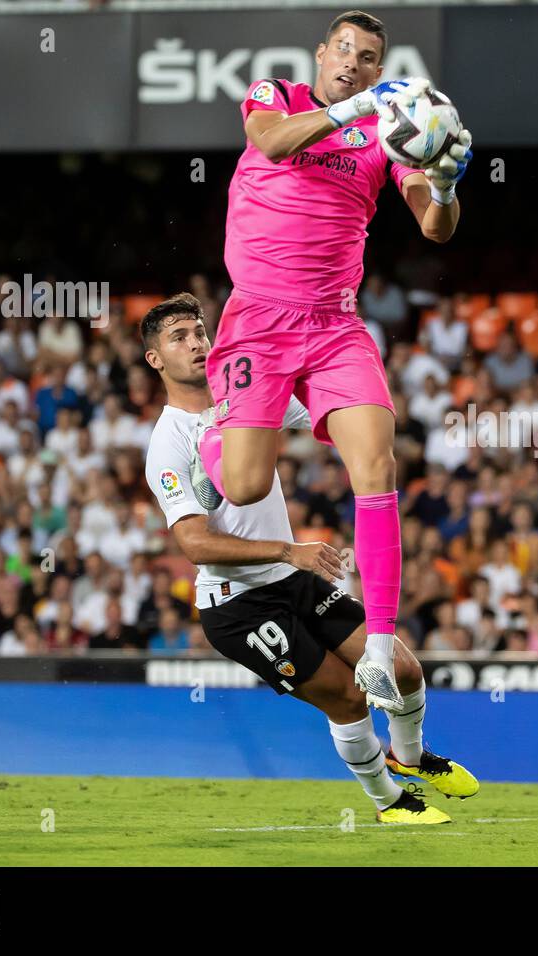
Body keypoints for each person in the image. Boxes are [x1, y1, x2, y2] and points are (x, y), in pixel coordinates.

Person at [195, 10, 473, 713]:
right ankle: (217, 437)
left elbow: (435, 229)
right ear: (321, 55)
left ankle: (379, 651)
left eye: (368, 56)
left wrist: (443, 181)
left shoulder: (388, 137)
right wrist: (354, 112)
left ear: (382, 68)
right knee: (248, 487)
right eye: (343, 49)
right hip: (257, 321)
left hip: (334, 327)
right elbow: (273, 143)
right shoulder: (275, 97)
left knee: (377, 465)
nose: (353, 61)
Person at [142, 294, 477, 824]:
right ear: (155, 359)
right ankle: (388, 802)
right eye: (178, 337)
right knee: (348, 699)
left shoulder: (243, 398)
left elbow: (318, 407)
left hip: (292, 576)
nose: (196, 343)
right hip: (239, 605)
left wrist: (360, 404)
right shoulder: (168, 443)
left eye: (199, 331)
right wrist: (286, 550)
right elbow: (194, 545)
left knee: (402, 668)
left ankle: (409, 756)